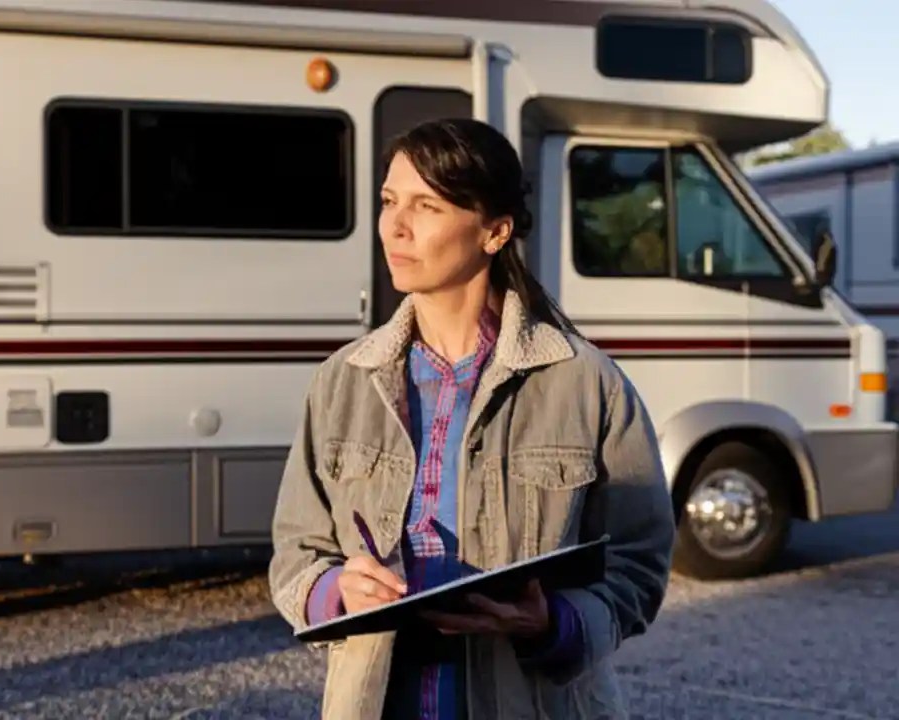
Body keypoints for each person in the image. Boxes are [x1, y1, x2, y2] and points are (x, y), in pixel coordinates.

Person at [267, 118, 676, 720]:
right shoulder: (342, 379)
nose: (394, 227)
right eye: (388, 201)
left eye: (426, 205)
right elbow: (296, 551)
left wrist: (553, 623)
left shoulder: (586, 382)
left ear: (495, 231)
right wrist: (336, 593)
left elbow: (638, 563)